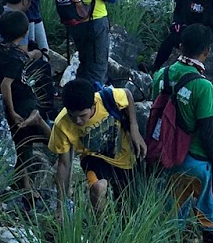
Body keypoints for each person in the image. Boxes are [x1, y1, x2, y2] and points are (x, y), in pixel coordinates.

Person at [150, 24, 213, 243]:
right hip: (198, 162)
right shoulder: (203, 86)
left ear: (181, 46)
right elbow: (207, 131)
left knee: (173, 214)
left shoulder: (160, 76)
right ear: (207, 51)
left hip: (169, 160)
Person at [0, 9, 52, 198]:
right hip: (23, 103)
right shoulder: (16, 58)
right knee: (33, 140)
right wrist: (12, 111)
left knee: (20, 144)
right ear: (24, 34)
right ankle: (54, 138)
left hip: (8, 103)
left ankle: (26, 186)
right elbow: (6, 84)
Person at [49, 78, 147, 215]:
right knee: (98, 188)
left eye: (83, 116)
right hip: (94, 159)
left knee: (129, 208)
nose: (78, 121)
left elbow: (127, 94)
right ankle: (100, 226)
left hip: (124, 158)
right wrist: (60, 206)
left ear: (93, 105)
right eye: (73, 116)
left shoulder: (107, 98)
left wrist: (134, 128)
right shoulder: (62, 124)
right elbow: (64, 164)